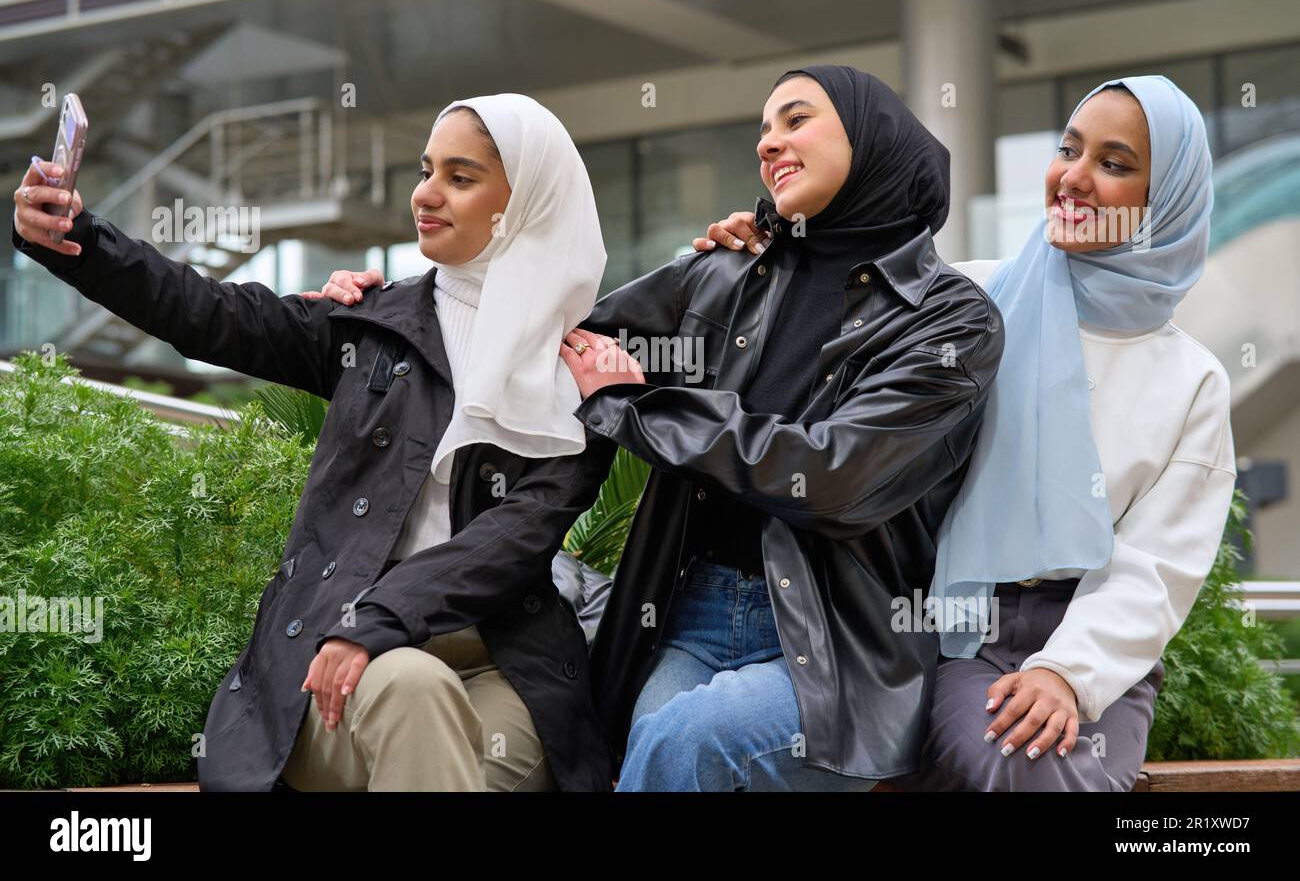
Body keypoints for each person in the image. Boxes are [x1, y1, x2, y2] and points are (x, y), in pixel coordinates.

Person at [317, 64, 1005, 790]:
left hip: (841, 641)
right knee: (634, 745)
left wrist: (636, 408)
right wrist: (387, 307)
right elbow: (551, 336)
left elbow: (834, 477)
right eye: (763, 131)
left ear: (872, 140)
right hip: (692, 612)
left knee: (682, 745)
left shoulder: (951, 319)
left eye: (795, 121)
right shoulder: (730, 272)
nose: (770, 144)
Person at [10, 93, 618, 791]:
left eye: (461, 177)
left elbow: (514, 538)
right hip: (339, 658)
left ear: (527, 203)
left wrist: (759, 237)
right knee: (414, 690)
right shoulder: (371, 324)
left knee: (471, 757)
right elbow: (210, 313)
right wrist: (78, 237)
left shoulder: (578, 373)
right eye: (427, 170)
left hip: (502, 667)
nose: (425, 193)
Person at [692, 74, 1236, 791]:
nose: (1073, 178)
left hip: (1098, 644)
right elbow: (839, 292)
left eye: (1114, 163)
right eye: (1068, 149)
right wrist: (764, 247)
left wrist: (1069, 674)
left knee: (1057, 775)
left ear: (1166, 196)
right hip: (958, 623)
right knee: (992, 763)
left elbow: (1157, 569)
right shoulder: (968, 301)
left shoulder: (1192, 379)